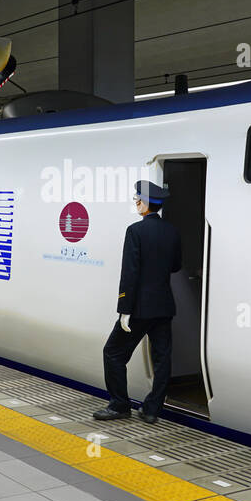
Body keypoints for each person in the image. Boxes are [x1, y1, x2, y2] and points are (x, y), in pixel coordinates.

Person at [94, 180, 182, 424]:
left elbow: (130, 273)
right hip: (164, 306)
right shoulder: (172, 231)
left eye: (137, 200)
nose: (136, 204)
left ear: (144, 204)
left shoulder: (135, 231)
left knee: (113, 352)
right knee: (162, 358)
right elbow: (176, 266)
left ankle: (119, 405)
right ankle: (152, 409)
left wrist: (124, 310)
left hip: (139, 308)